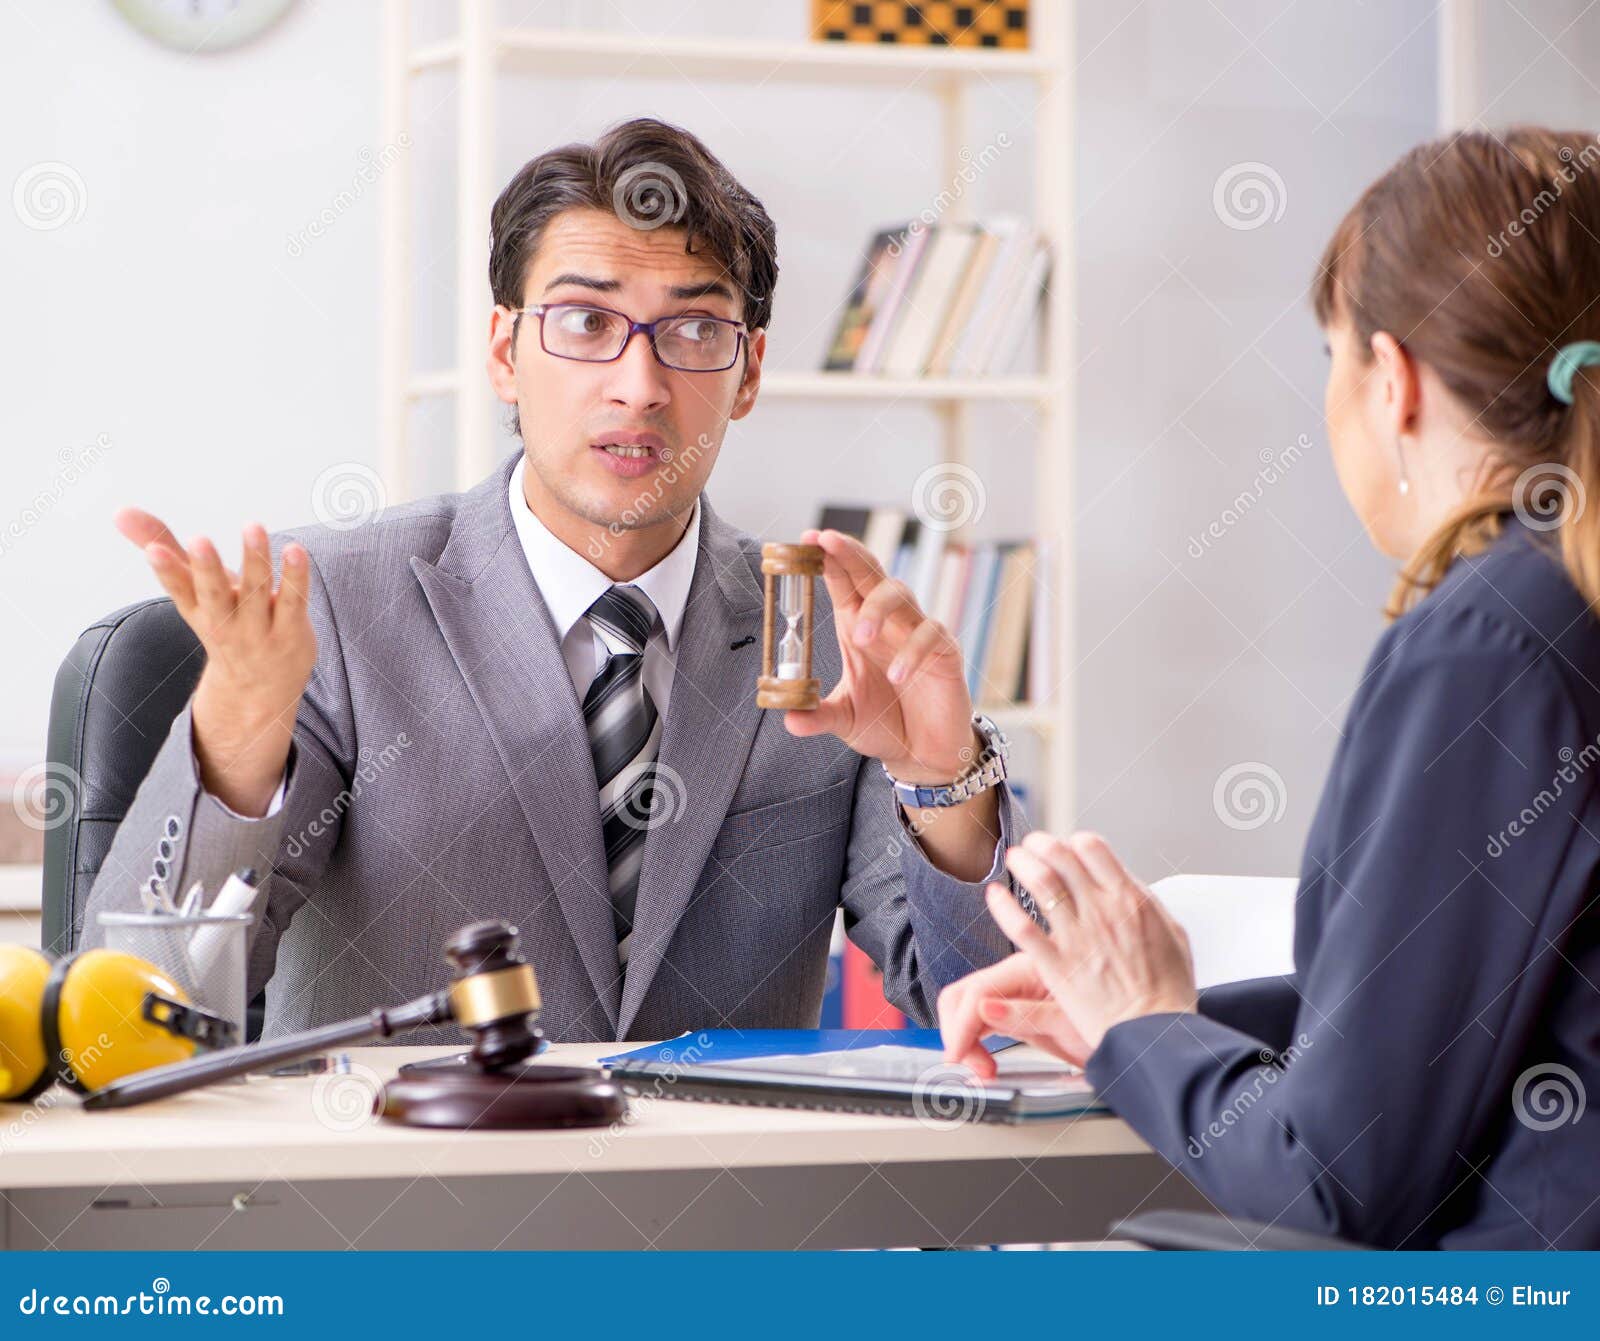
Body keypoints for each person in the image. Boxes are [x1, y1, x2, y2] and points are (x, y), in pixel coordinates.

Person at [80, 118, 1023, 1044]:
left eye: (696, 329)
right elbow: (141, 1012)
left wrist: (945, 779)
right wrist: (237, 743)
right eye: (586, 322)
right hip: (404, 1150)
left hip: (725, 1155)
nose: (639, 384)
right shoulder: (334, 603)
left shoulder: (824, 634)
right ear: (505, 353)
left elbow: (996, 1017)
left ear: (747, 373)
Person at [939, 127, 1600, 1249]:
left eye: (1331, 357)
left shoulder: (1485, 640)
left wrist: (1147, 1026)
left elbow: (1332, 1184)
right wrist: (1138, 1022)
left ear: (1391, 382)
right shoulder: (1552, 607)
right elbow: (1468, 1022)